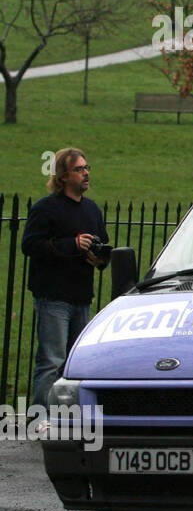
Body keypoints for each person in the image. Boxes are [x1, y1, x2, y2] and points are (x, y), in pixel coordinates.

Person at [21, 148, 109, 408]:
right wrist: (72, 244)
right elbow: (30, 245)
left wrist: (100, 259)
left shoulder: (92, 209)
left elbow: (103, 246)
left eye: (86, 168)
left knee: (75, 364)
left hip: (82, 297)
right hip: (53, 297)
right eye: (79, 169)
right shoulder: (45, 208)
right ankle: (41, 416)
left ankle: (68, 416)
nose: (86, 173)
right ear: (62, 176)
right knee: (52, 361)